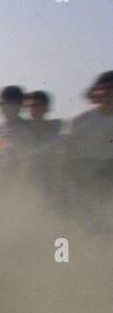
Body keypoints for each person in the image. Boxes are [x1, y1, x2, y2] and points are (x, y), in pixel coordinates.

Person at [60, 70, 113, 211]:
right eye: (105, 88)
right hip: (84, 175)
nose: (109, 93)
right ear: (96, 91)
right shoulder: (80, 120)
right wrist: (60, 187)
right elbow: (66, 154)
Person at [0, 85, 31, 150]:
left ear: (18, 105)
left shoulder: (30, 128)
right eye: (1, 104)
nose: (3, 109)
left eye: (7, 105)